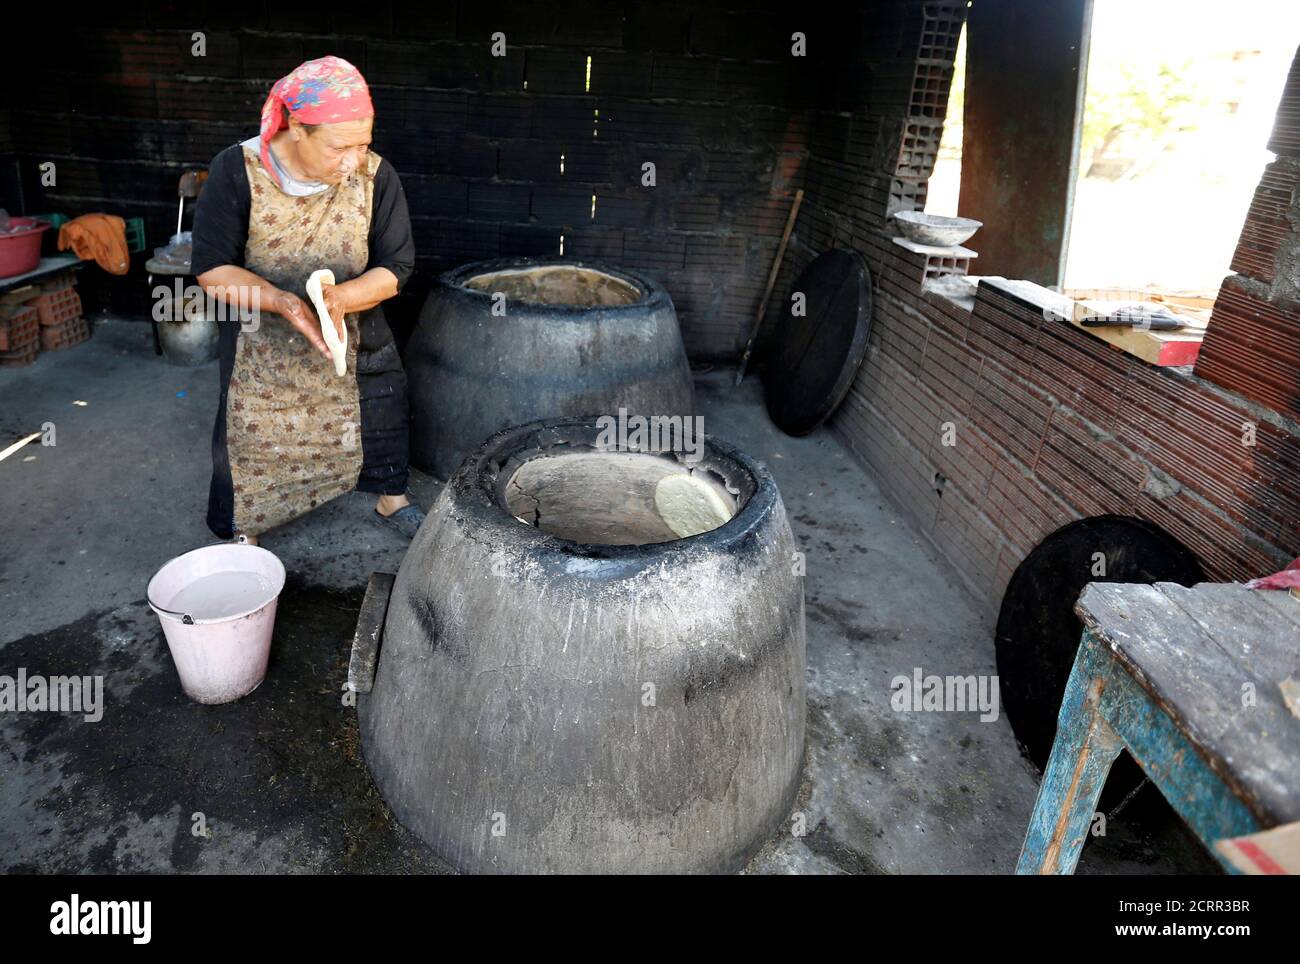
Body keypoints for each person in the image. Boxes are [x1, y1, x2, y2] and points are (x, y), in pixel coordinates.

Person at [192, 55, 424, 545]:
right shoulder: (237, 171)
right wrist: (283, 302)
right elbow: (213, 270)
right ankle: (246, 527)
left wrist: (341, 299)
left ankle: (391, 497)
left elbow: (396, 266)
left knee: (380, 411)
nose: (353, 162)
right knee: (255, 437)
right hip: (263, 348)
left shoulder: (377, 176)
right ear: (297, 126)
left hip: (357, 333)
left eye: (364, 144)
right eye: (340, 147)